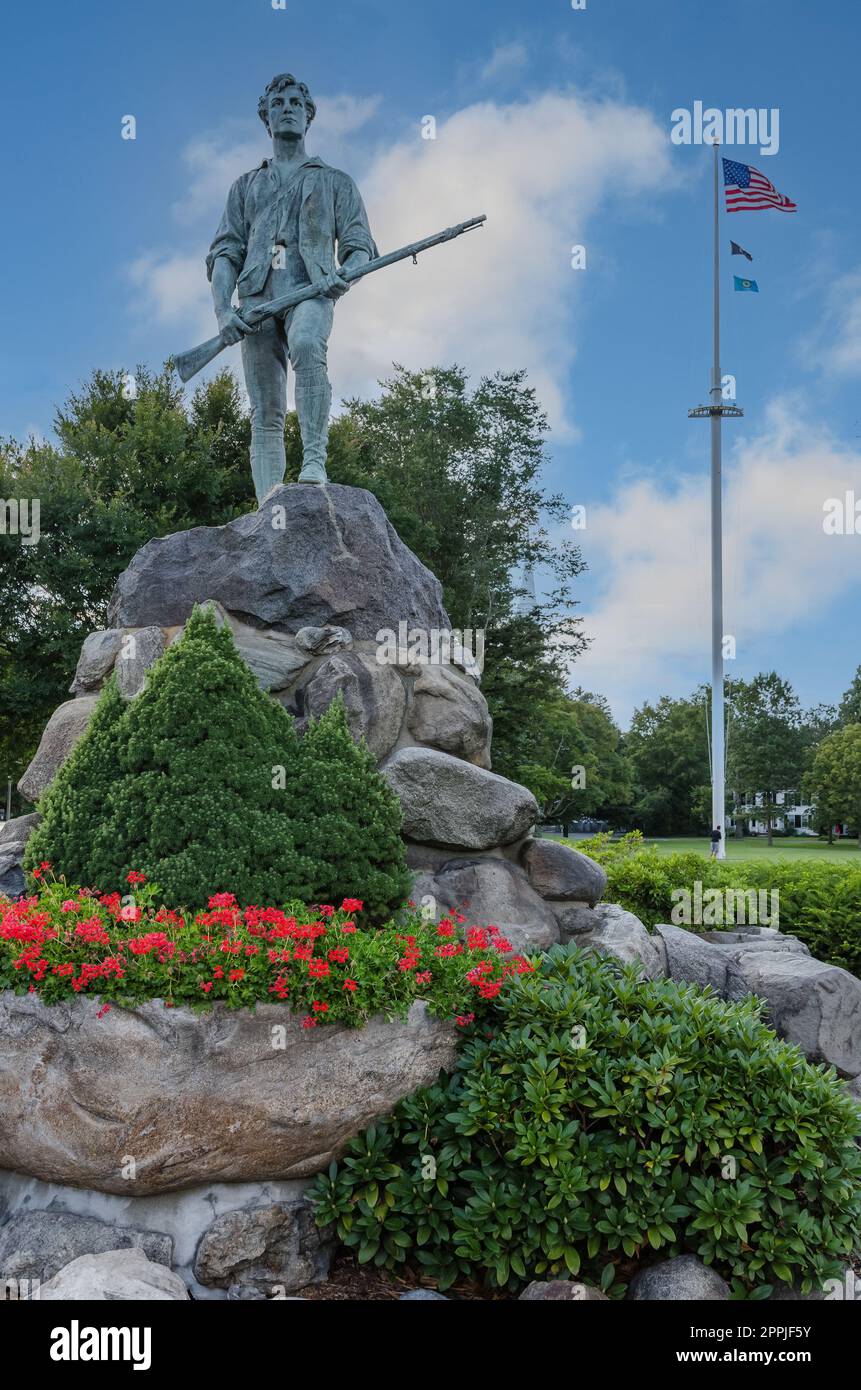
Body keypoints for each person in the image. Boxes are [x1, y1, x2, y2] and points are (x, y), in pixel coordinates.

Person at [207, 73, 378, 501]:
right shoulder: (245, 186)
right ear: (266, 117)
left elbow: (361, 247)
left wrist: (346, 272)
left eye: (296, 103)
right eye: (279, 102)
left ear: (308, 115)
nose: (287, 108)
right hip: (257, 302)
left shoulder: (336, 181)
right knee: (265, 408)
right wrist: (224, 312)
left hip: (311, 291)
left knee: (306, 344)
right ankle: (269, 506)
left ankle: (314, 461)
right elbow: (225, 253)